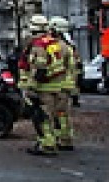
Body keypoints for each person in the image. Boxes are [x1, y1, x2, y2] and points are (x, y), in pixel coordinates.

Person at [19, 14, 65, 156]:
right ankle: (49, 141)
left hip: (43, 87)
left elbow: (40, 67)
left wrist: (31, 86)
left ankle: (47, 144)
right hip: (56, 85)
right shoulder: (54, 43)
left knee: (41, 116)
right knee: (52, 116)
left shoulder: (39, 45)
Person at [48, 16, 78, 151]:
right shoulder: (69, 46)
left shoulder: (58, 47)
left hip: (59, 85)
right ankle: (64, 138)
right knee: (62, 114)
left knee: (58, 114)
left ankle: (63, 139)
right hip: (66, 85)